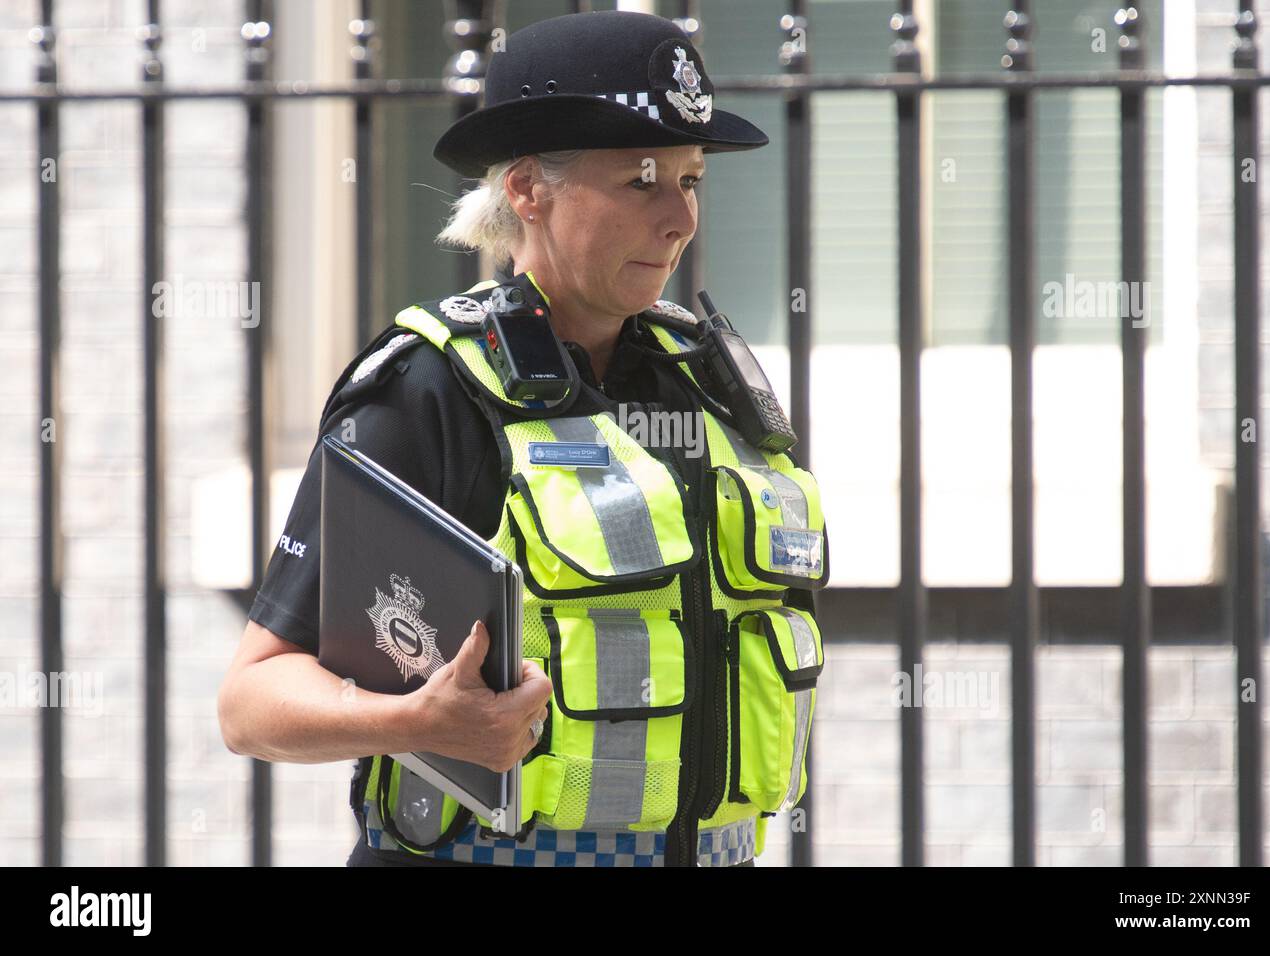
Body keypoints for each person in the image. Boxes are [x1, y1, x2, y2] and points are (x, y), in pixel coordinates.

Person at [217, 9, 828, 868]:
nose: (679, 218)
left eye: (690, 180)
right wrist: (414, 721)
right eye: (641, 181)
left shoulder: (707, 384)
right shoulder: (431, 387)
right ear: (528, 190)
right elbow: (251, 701)